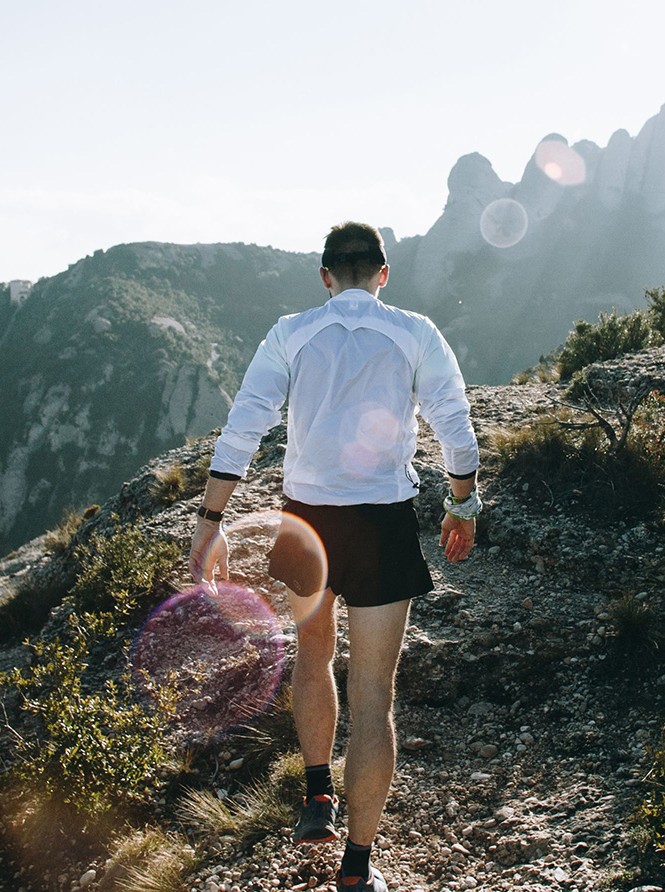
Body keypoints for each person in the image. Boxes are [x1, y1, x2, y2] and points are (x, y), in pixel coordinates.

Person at [189, 222, 481, 892]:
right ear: (383, 273)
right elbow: (455, 431)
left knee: (312, 655)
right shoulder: (415, 332)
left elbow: (244, 427)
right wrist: (461, 505)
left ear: (325, 277)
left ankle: (316, 795)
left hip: (305, 524)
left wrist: (210, 522)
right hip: (380, 523)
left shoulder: (290, 332)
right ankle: (356, 867)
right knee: (373, 692)